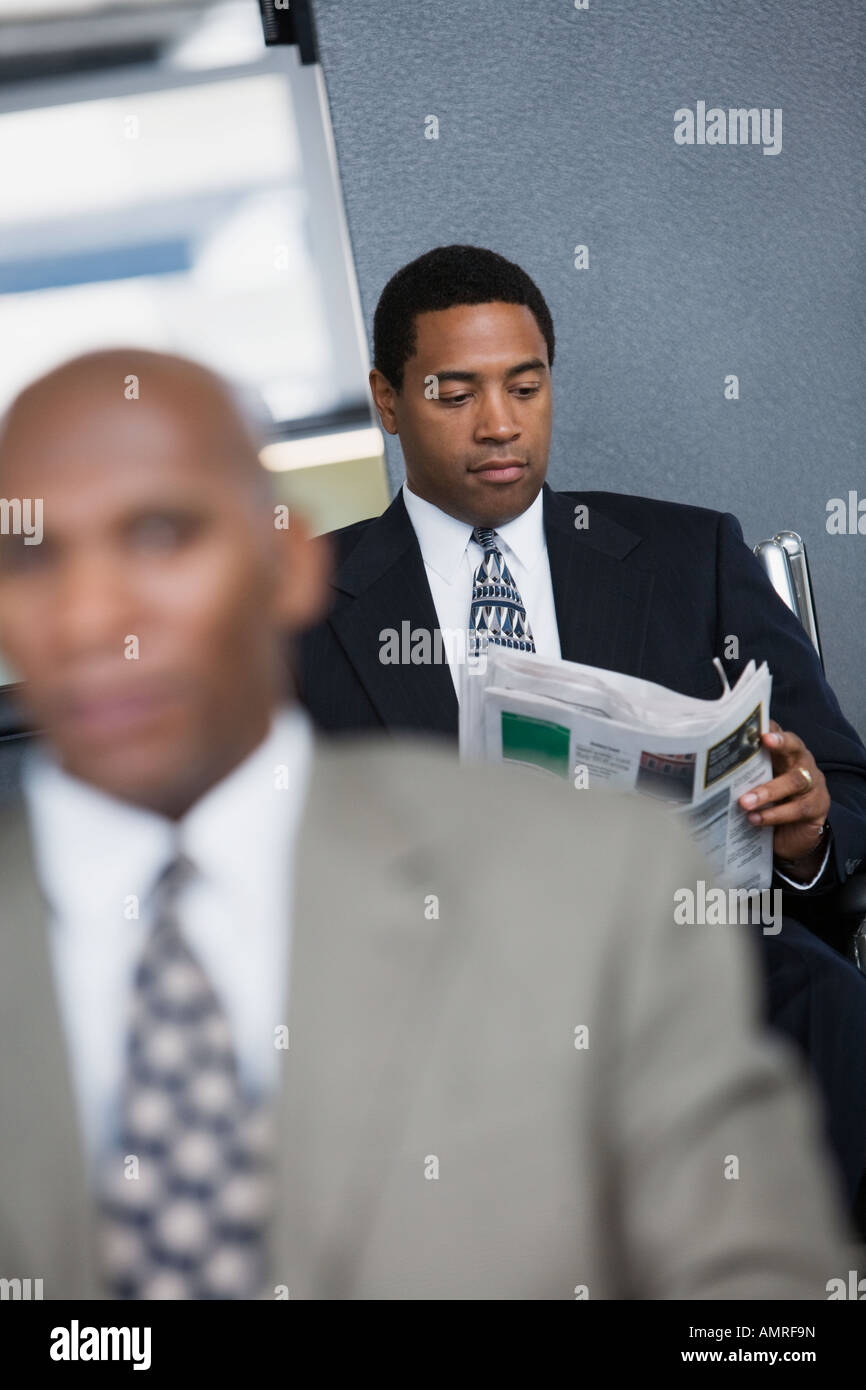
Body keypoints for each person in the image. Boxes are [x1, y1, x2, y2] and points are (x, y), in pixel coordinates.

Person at [0, 348, 850, 1300]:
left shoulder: (616, 868)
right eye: (30, 553)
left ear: (285, 567)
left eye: (160, 536)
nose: (89, 615)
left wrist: (804, 831)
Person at [299, 244, 866, 1207]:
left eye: (526, 388)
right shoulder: (301, 610)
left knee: (829, 1008)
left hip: (689, 961)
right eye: (455, 394)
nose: (498, 426)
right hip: (444, 1001)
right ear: (388, 401)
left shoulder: (692, 558)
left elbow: (845, 790)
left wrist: (808, 826)